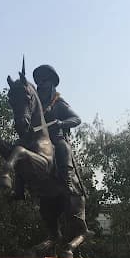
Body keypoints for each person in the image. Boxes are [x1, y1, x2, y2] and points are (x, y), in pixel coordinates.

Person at [32, 65, 82, 198]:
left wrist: (61, 123)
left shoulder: (58, 103)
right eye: (39, 82)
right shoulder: (35, 106)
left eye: (44, 81)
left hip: (55, 137)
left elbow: (77, 119)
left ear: (51, 84)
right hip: (36, 138)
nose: (41, 85)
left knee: (63, 147)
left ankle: (67, 180)